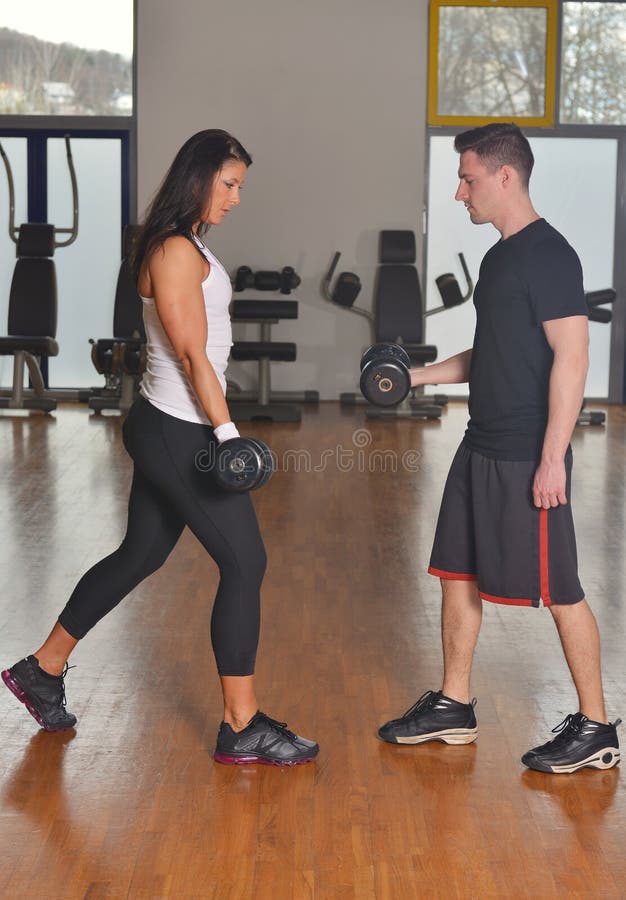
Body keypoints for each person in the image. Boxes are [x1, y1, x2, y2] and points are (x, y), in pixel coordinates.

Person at [2, 129, 318, 768]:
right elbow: (192, 353)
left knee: (140, 552)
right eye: (228, 184)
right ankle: (241, 723)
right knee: (245, 562)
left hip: (168, 424)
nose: (234, 198)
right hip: (181, 430)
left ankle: (43, 667)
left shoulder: (187, 243)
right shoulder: (174, 250)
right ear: (199, 177)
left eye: (239, 187)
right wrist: (227, 435)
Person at [378, 123, 620, 774]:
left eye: (468, 177)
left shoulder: (549, 255)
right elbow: (498, 353)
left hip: (523, 453)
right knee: (456, 572)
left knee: (560, 588)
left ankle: (597, 724)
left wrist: (551, 458)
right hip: (479, 443)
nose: (460, 192)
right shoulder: (500, 257)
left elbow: (573, 356)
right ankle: (454, 704)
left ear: (505, 176)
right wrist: (418, 375)